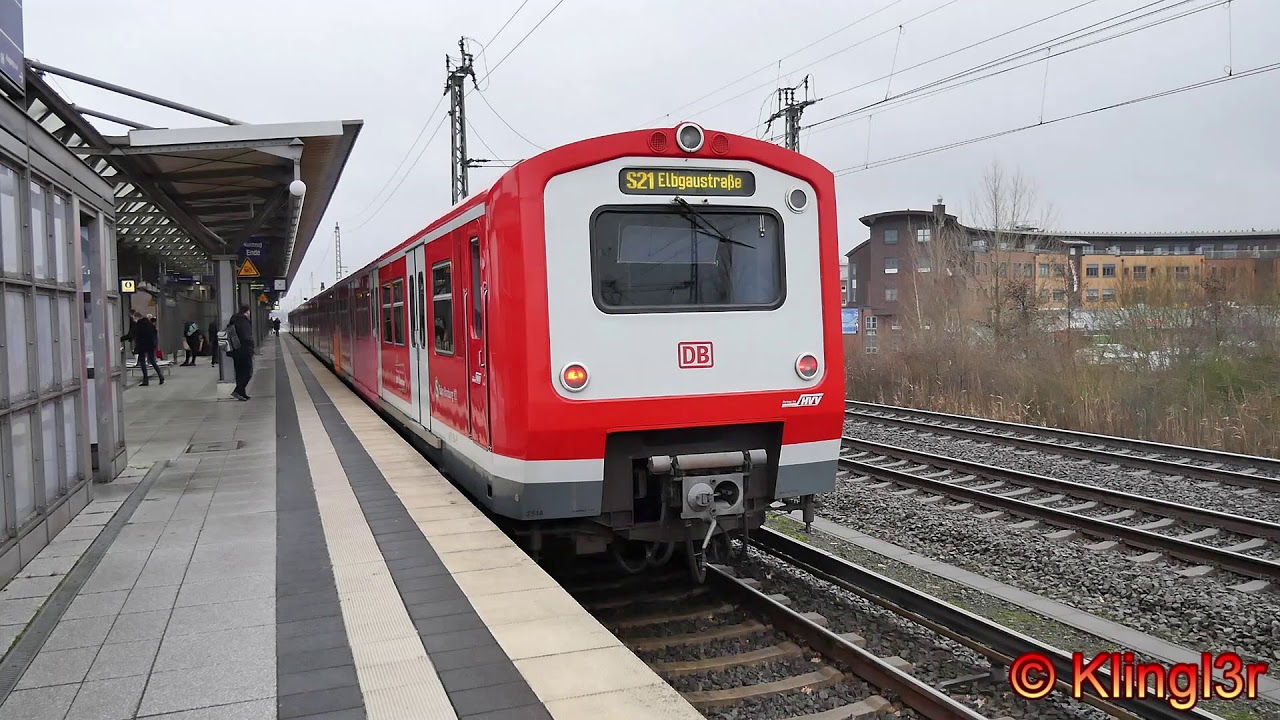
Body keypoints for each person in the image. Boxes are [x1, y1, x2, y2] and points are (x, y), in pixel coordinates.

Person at [226, 304, 255, 400]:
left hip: (235, 351)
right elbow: (246, 337)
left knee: (239, 373)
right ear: (247, 311)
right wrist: (251, 349)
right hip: (244, 351)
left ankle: (242, 393)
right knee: (248, 372)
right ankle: (238, 391)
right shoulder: (244, 321)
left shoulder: (234, 320)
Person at [134, 314, 164, 386]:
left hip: (142, 345)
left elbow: (136, 336)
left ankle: (145, 380)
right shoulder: (150, 324)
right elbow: (154, 334)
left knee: (143, 363)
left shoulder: (139, 325)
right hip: (150, 345)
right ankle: (160, 376)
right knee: (153, 361)